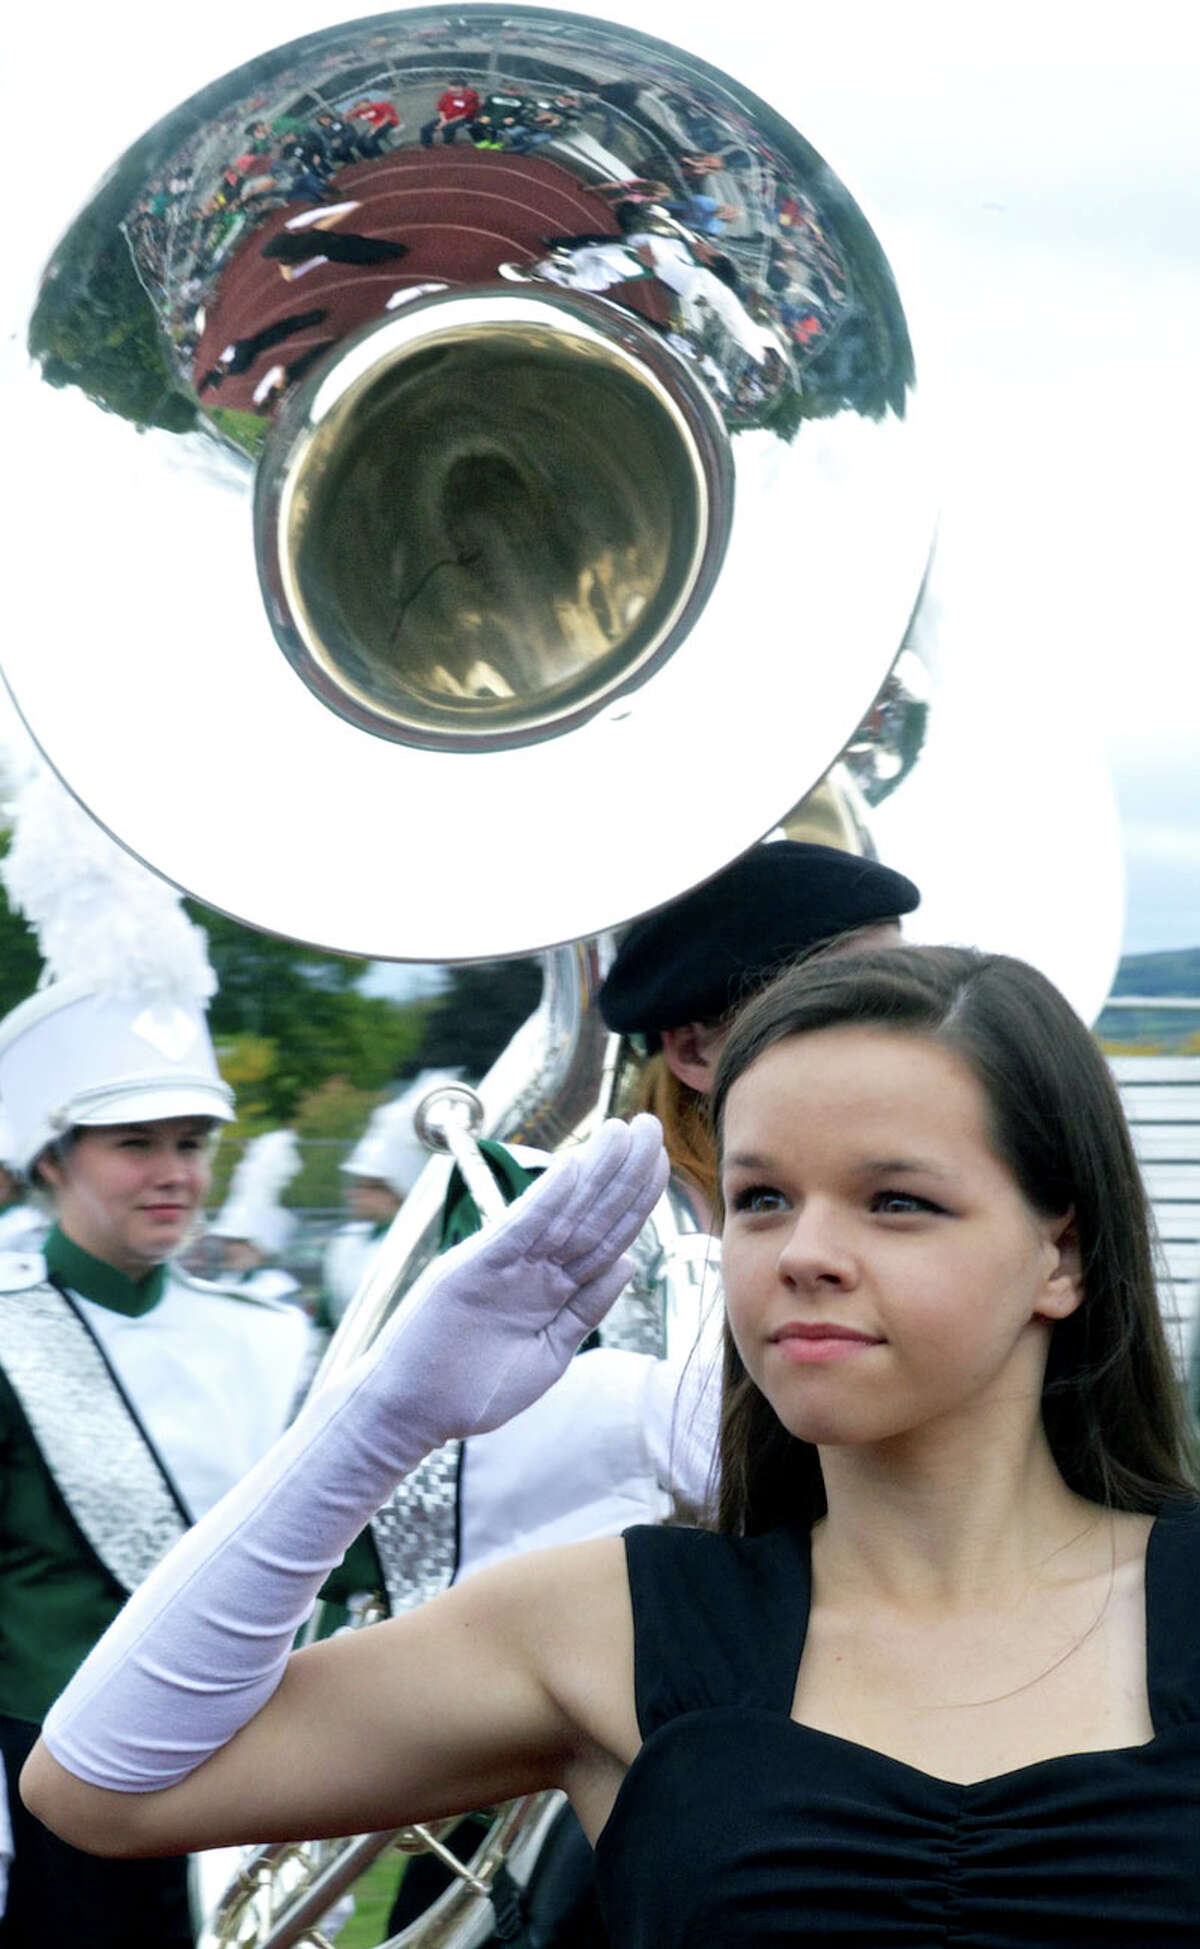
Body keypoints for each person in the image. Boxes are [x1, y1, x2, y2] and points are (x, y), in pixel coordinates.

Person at [23, 943, 1200, 1943]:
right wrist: (382, 1413)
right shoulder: (617, 1619)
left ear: (1063, 1254)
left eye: (898, 1201)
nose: (803, 1252)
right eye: (762, 1198)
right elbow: (103, 1785)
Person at [0, 768, 312, 1949]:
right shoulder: (8, 1332)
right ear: (51, 1162)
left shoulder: (265, 1336)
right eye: (135, 1144)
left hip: (239, 1769)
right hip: (49, 1774)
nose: (175, 1170)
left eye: (191, 1141)